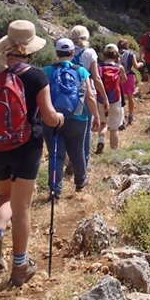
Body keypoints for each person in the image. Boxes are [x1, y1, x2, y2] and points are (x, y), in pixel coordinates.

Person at [0, 20, 66, 288]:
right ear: (30, 49)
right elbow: (47, 117)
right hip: (26, 147)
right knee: (21, 206)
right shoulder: (36, 76)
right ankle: (20, 266)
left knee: (3, 194)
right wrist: (59, 119)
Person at [43, 38, 99, 199]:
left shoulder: (47, 71)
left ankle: (55, 190)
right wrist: (96, 115)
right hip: (78, 118)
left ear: (57, 53)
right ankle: (80, 181)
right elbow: (89, 96)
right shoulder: (81, 71)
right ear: (72, 53)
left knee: (56, 154)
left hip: (53, 118)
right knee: (77, 151)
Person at [69, 25, 108, 162]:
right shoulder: (90, 53)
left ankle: (72, 157)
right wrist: (104, 97)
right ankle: (84, 161)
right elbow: (96, 78)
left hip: (69, 93)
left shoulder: (68, 51)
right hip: (87, 92)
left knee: (71, 126)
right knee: (87, 129)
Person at [98, 44, 127, 150]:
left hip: (101, 99)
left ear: (104, 55)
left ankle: (101, 140)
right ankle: (113, 151)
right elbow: (124, 80)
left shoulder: (99, 67)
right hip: (115, 100)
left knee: (102, 122)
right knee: (114, 128)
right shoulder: (119, 67)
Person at [117, 38, 139, 127]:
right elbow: (136, 66)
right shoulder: (130, 53)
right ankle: (131, 115)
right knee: (130, 97)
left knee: (119, 98)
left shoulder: (115, 53)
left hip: (118, 77)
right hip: (129, 76)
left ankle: (121, 119)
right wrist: (141, 63)